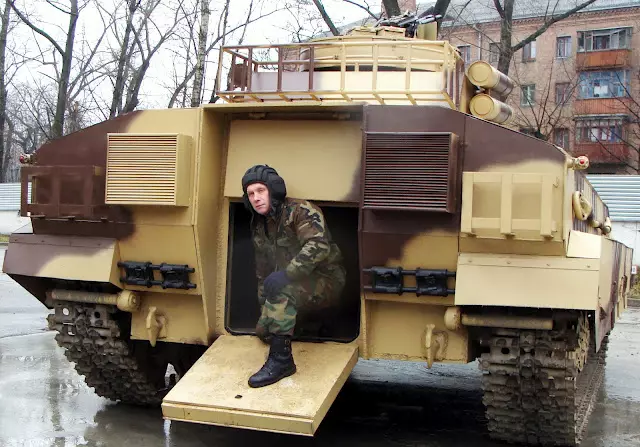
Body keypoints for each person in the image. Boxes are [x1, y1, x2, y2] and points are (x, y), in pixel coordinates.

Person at [241, 164, 346, 388]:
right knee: (264, 331)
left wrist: (287, 276)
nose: (256, 198)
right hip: (295, 281)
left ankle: (282, 362)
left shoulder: (301, 211)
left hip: (327, 280)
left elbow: (317, 246)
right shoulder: (259, 224)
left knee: (282, 291)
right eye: (251, 194)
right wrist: (265, 307)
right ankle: (308, 325)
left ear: (274, 190)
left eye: (261, 191)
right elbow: (264, 270)